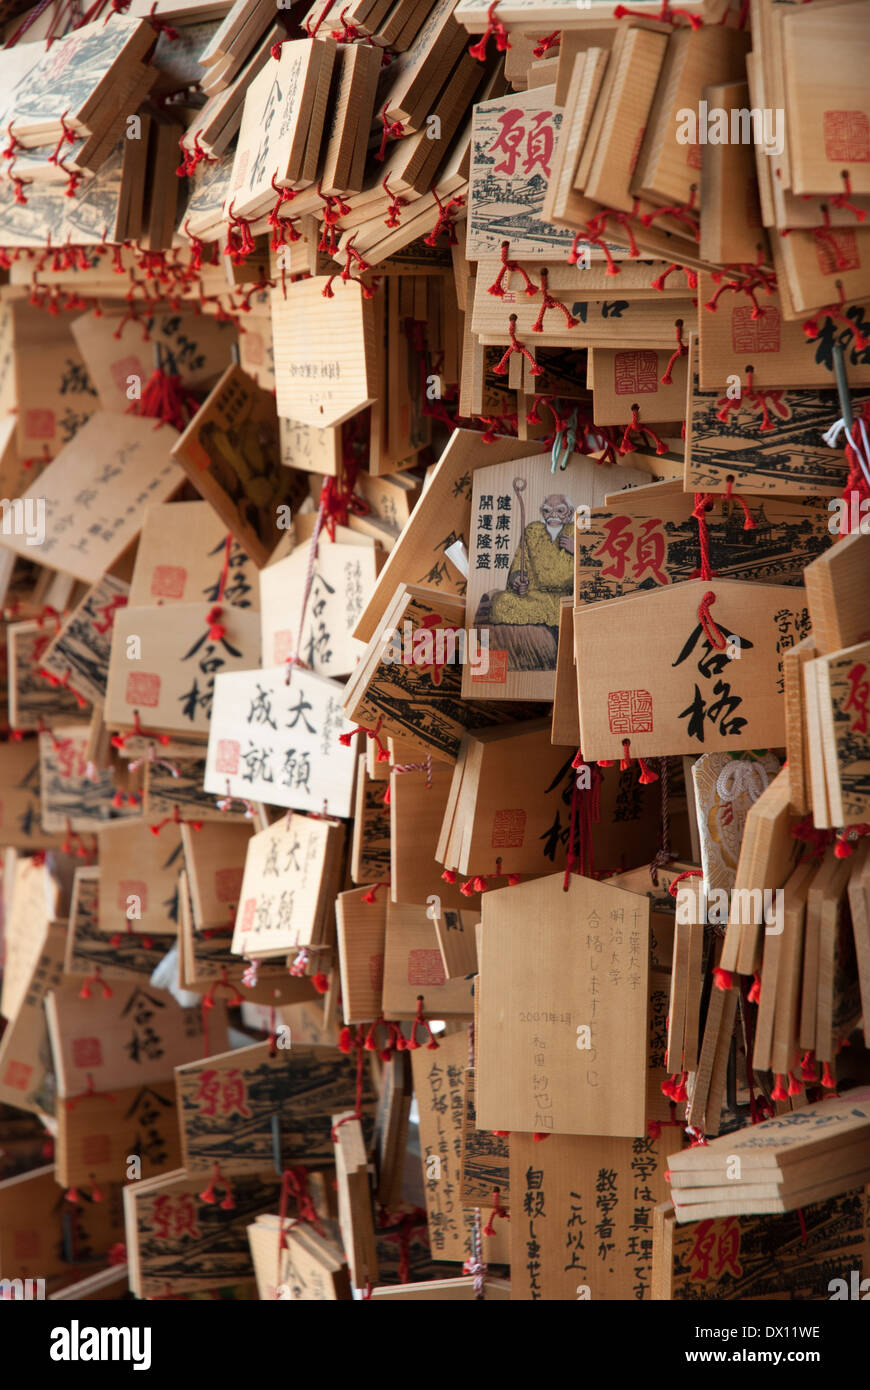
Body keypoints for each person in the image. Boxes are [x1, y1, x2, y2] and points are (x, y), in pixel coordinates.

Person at [488, 492, 576, 634]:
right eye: (547, 510)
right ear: (542, 512)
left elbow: (593, 564)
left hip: (563, 599)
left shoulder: (576, 531)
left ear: (570, 513)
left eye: (560, 510)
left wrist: (577, 549)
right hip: (534, 597)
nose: (553, 515)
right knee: (500, 602)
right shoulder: (532, 530)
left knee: (568, 611)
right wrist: (518, 581)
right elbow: (519, 564)